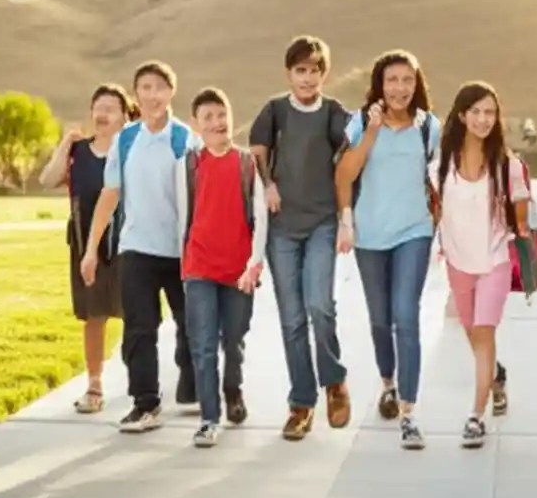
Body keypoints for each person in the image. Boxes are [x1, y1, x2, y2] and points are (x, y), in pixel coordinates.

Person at [81, 60, 201, 434]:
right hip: (136, 249)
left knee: (190, 326)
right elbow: (110, 194)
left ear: (171, 93)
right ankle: (145, 403)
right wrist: (90, 249)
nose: (152, 95)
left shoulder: (186, 140)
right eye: (144, 88)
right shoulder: (126, 139)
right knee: (139, 329)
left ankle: (193, 381)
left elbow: (201, 198)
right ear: (137, 95)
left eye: (159, 87)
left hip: (181, 251)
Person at [335, 49, 441, 450]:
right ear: (380, 85)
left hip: (414, 230)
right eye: (392, 80)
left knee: (405, 316)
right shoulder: (361, 122)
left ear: (417, 84)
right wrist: (374, 131)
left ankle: (410, 413)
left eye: (407, 80)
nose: (400, 88)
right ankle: (388, 383)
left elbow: (438, 178)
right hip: (369, 234)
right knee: (380, 319)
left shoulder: (429, 126)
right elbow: (344, 174)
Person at [248, 36, 352, 441]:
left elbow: (351, 156)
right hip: (282, 229)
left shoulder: (332, 113)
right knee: (292, 320)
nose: (308, 78)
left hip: (323, 222)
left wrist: (347, 219)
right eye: (300, 70)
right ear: (289, 73)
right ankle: (301, 403)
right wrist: (269, 184)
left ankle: (335, 381)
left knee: (319, 306)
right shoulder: (274, 111)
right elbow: (255, 156)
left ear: (324, 74)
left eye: (315, 70)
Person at [430, 81, 530, 449]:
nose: (484, 119)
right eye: (477, 112)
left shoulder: (508, 165)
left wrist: (517, 210)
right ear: (462, 115)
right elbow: (435, 211)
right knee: (473, 334)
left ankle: (475, 415)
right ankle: (497, 377)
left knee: (484, 332)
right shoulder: (441, 165)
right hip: (458, 262)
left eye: (490, 113)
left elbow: (520, 218)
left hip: (495, 260)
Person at [37, 84, 139, 414]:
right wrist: (65, 144)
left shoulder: (134, 148)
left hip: (127, 242)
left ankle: (141, 383)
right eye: (98, 106)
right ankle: (94, 386)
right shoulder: (78, 152)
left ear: (125, 115)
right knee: (93, 316)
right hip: (85, 244)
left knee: (136, 315)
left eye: (111, 107)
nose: (103, 113)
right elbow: (47, 180)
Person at [175, 87, 268, 448]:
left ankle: (233, 390)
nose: (217, 122)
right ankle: (209, 419)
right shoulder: (187, 166)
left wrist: (254, 264)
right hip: (199, 267)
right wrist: (184, 266)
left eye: (221, 114)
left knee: (234, 339)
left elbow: (260, 217)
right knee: (203, 345)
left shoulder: (246, 164)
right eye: (208, 117)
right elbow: (183, 218)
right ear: (196, 126)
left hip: (238, 270)